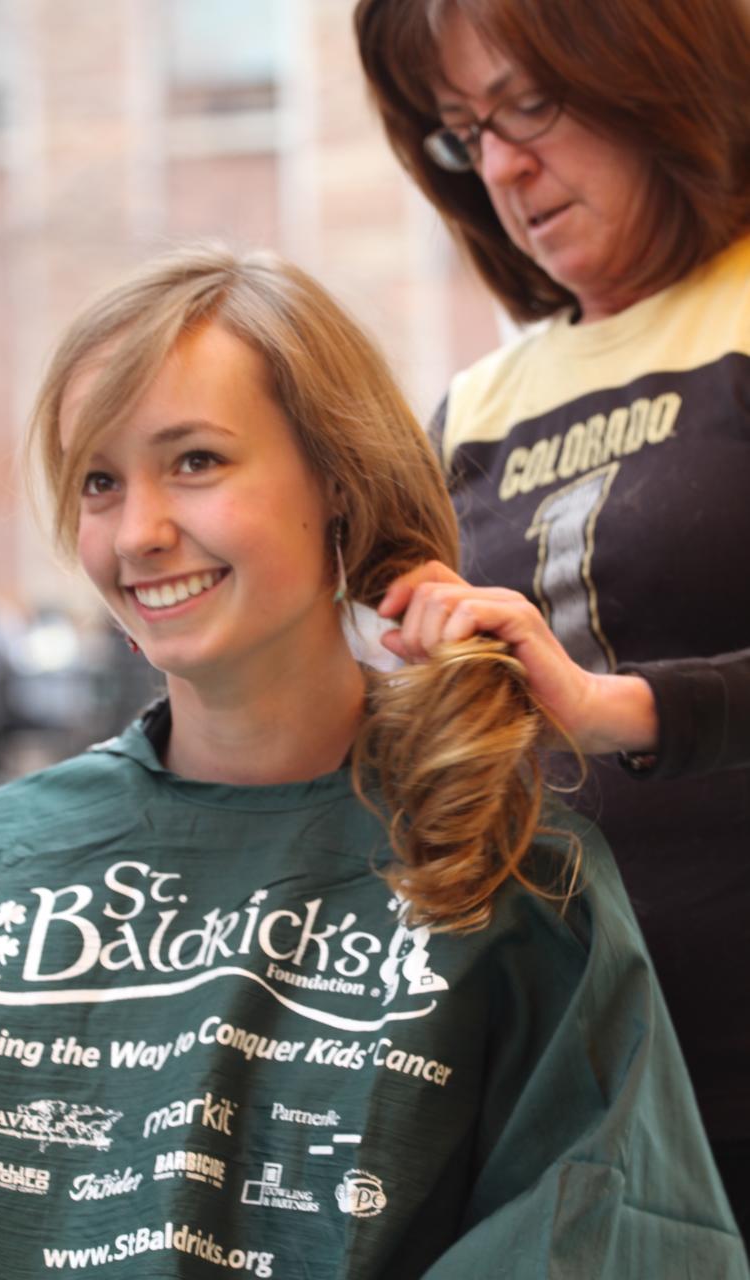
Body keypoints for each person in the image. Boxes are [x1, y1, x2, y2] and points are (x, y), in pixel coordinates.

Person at [0, 245, 745, 1280]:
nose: (139, 532)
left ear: (338, 480)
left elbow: (605, 1232)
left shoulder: (508, 872)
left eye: (195, 460)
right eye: (99, 481)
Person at [354, 0, 750, 1233]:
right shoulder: (474, 404)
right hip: (563, 1062)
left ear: (657, 71)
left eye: (531, 102)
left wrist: (610, 705)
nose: (504, 165)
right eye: (463, 130)